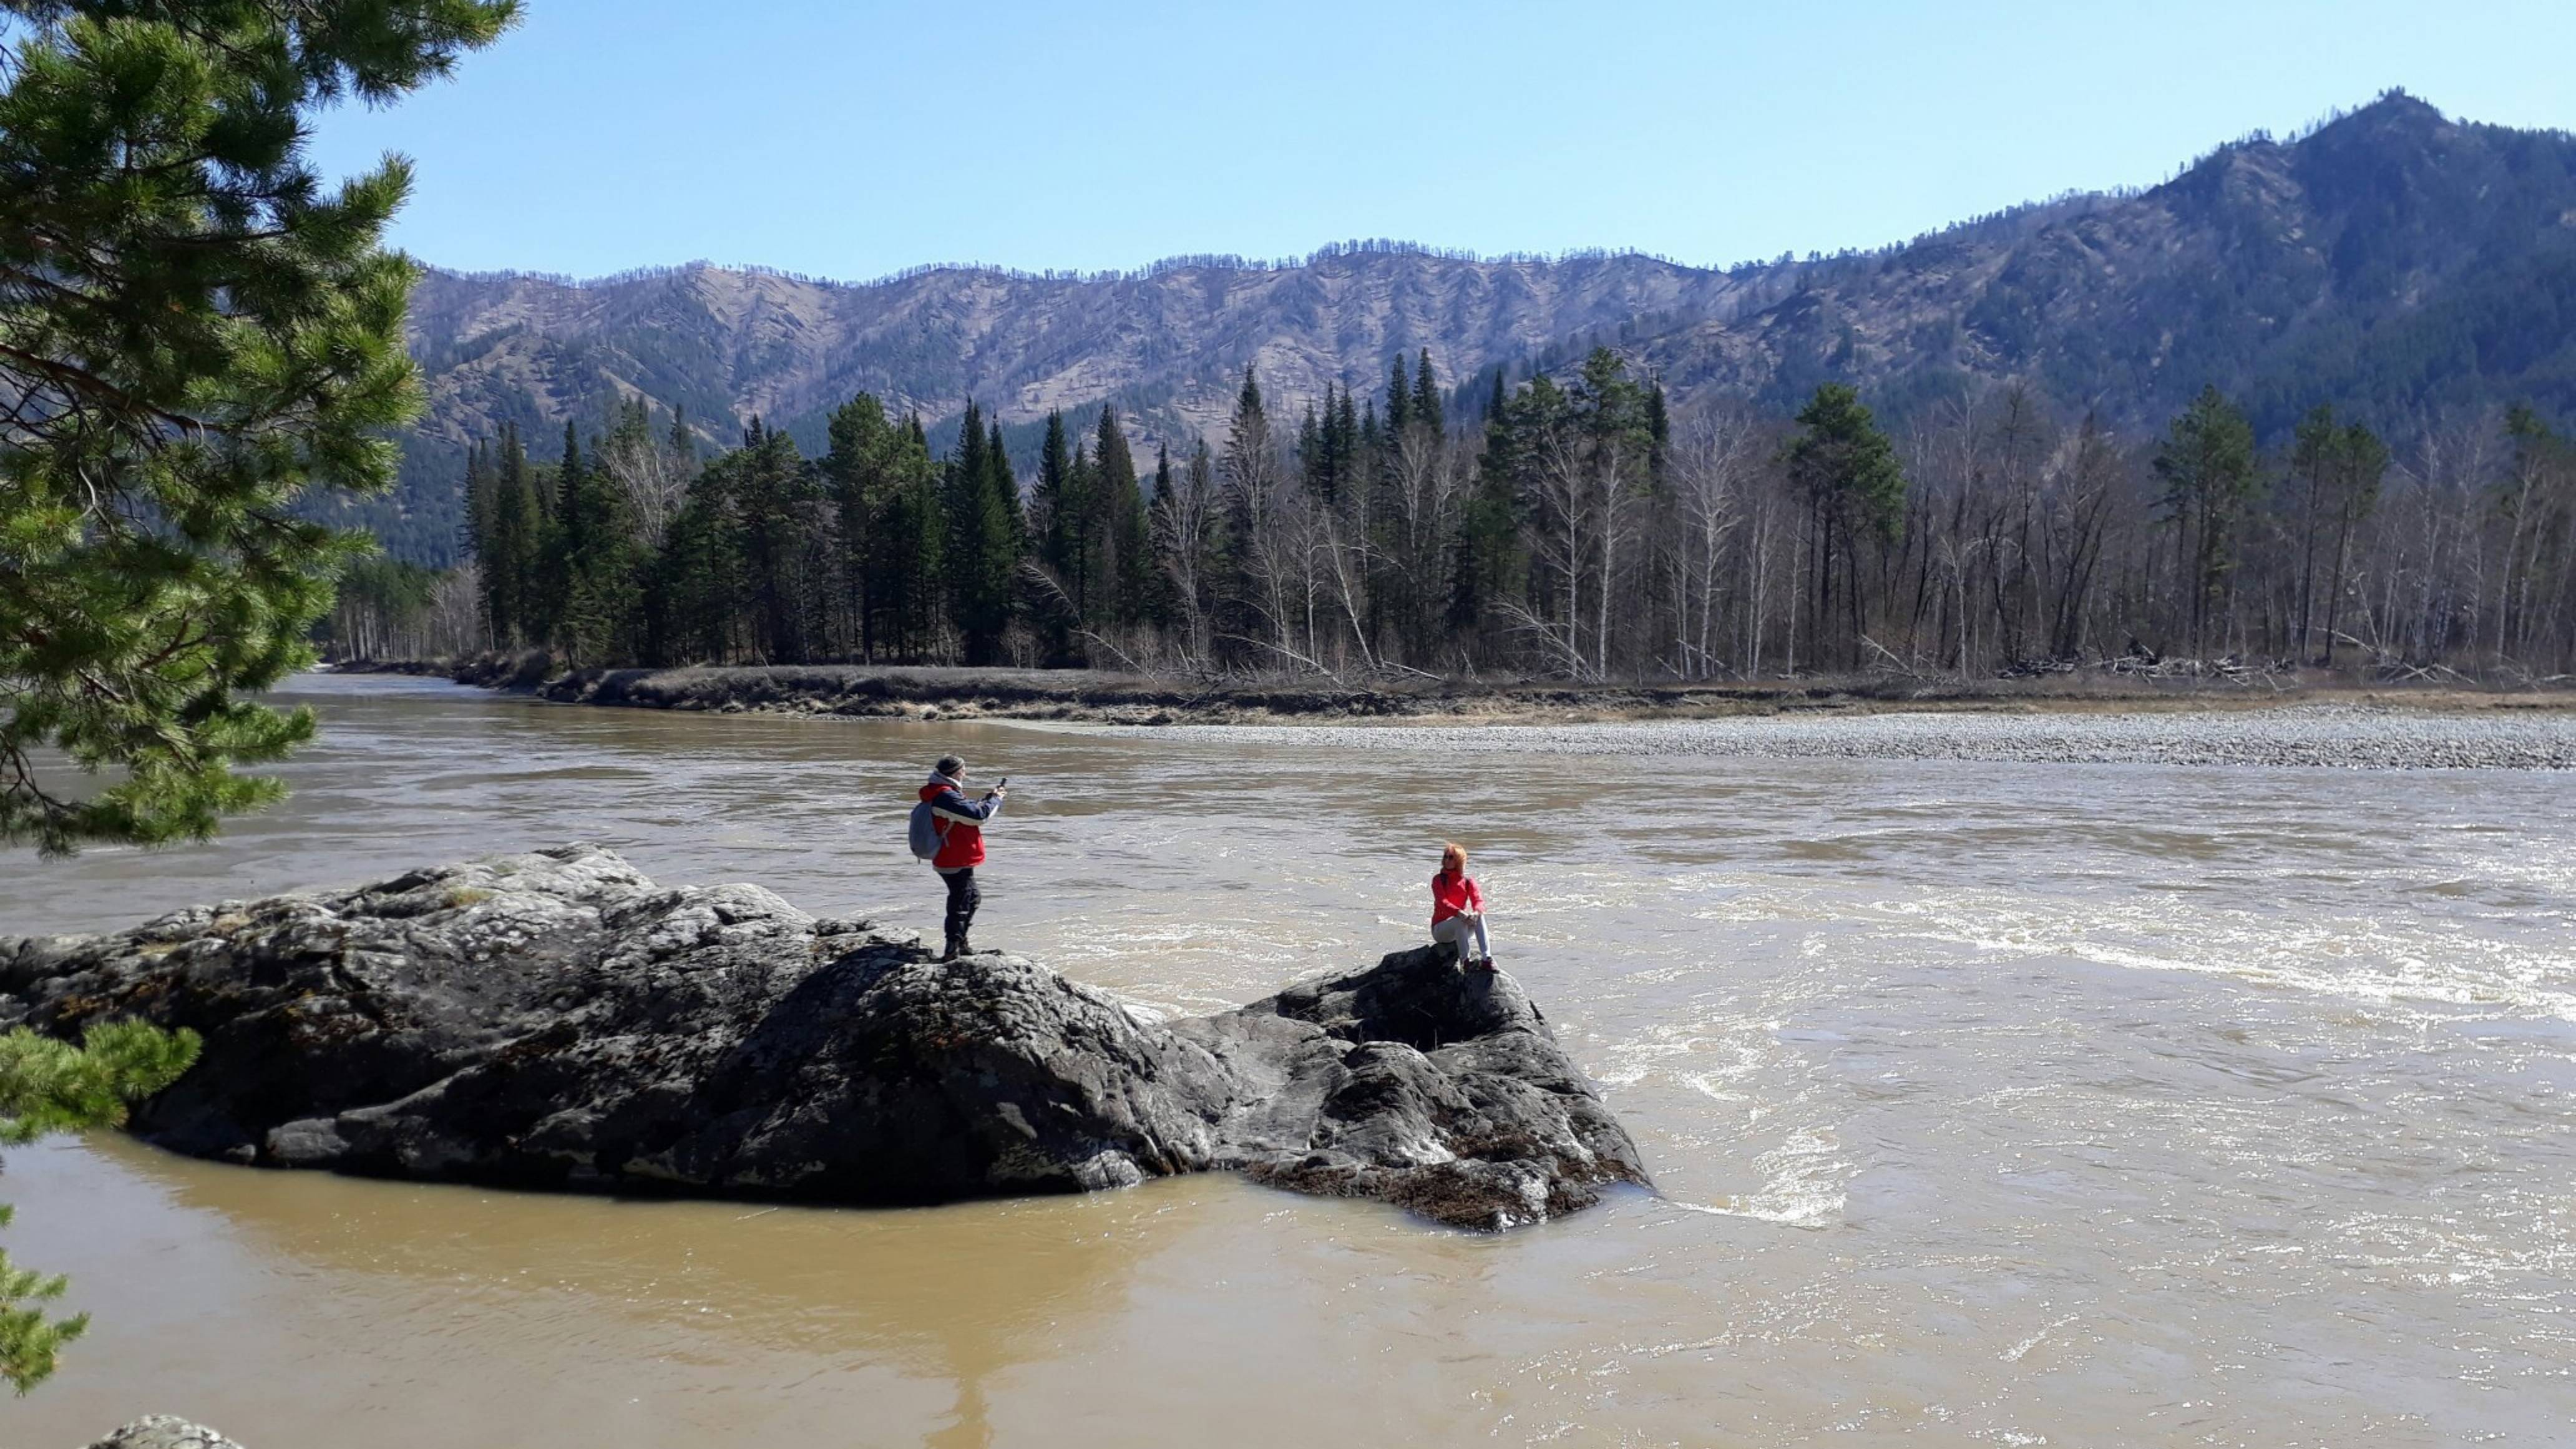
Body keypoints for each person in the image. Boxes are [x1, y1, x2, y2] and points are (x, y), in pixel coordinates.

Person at [920, 754, 1005, 961]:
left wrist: (986, 800)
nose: (965, 774)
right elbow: (978, 817)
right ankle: (952, 951)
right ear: (957, 772)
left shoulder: (943, 792)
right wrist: (996, 799)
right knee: (962, 901)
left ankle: (960, 945)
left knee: (971, 898)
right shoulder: (945, 796)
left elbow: (966, 812)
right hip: (953, 858)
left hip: (954, 856)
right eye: (964, 770)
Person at [1430, 842, 1495, 971]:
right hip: (1441, 930)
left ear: (1459, 861)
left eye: (1451, 857)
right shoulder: (1438, 880)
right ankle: (1465, 961)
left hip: (1461, 928)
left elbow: (1479, 901)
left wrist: (1476, 913)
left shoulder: (1468, 882)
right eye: (1445, 857)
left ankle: (1487, 958)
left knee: (1479, 917)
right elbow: (1443, 903)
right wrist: (1460, 913)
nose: (1447, 860)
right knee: (1460, 921)